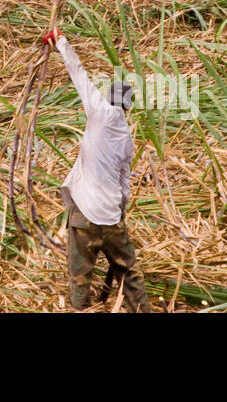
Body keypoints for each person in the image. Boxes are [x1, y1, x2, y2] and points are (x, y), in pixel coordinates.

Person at [41, 28, 151, 312]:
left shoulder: (99, 112)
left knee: (80, 278)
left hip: (85, 216)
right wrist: (120, 214)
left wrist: (61, 42)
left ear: (109, 98)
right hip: (112, 217)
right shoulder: (126, 138)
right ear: (128, 106)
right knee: (129, 271)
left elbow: (79, 74)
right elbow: (124, 184)